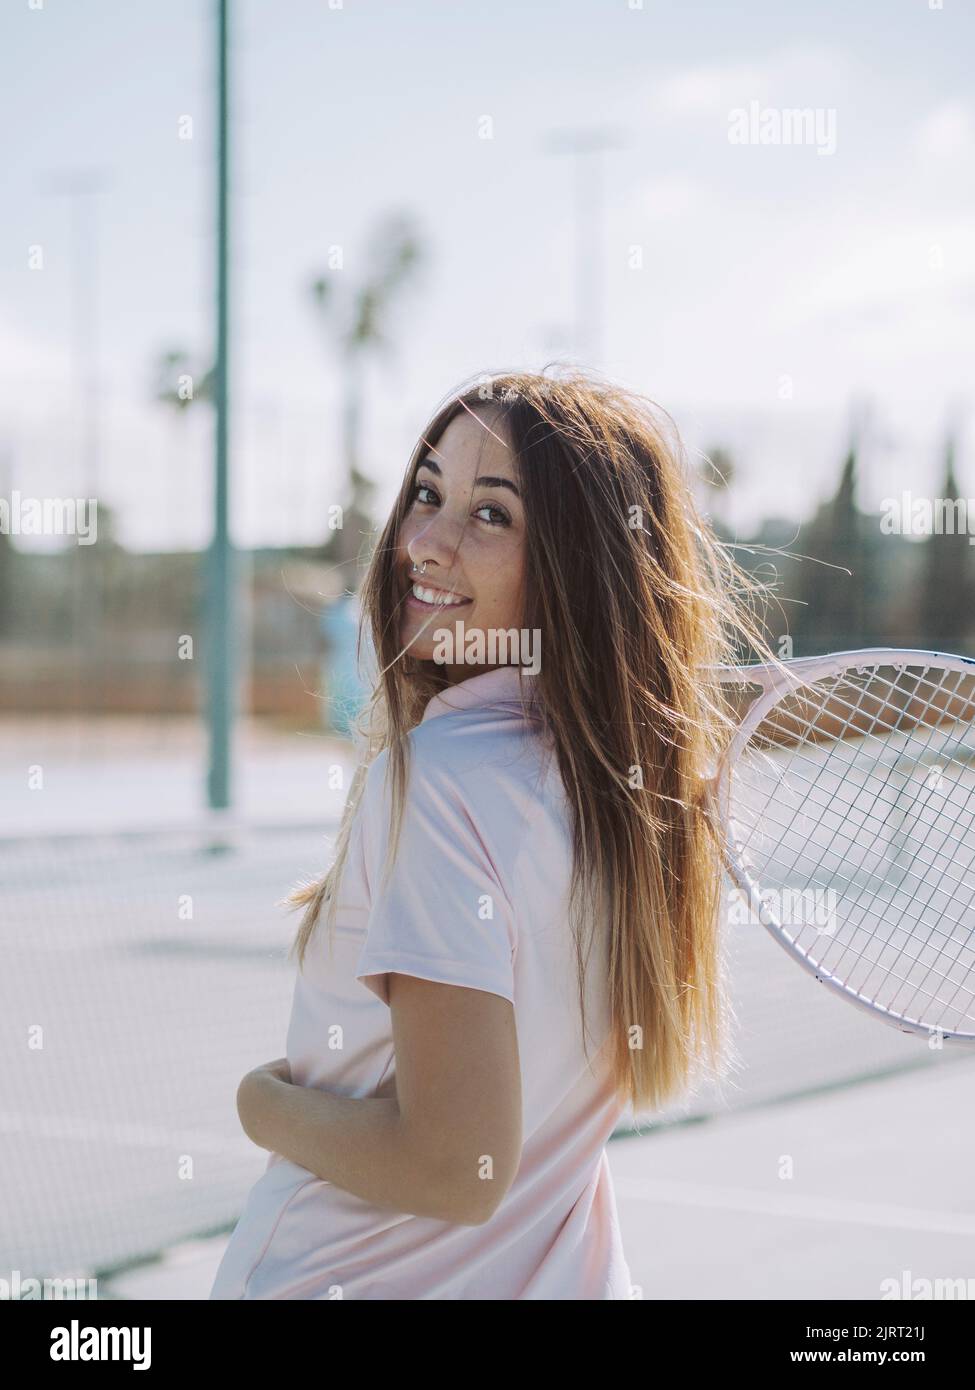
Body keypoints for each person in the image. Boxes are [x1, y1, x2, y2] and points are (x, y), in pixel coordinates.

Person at [209, 367, 770, 1300]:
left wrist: (261, 1106)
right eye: (428, 494)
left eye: (491, 515)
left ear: (577, 564)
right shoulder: (638, 806)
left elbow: (453, 1168)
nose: (422, 542)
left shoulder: (437, 785)